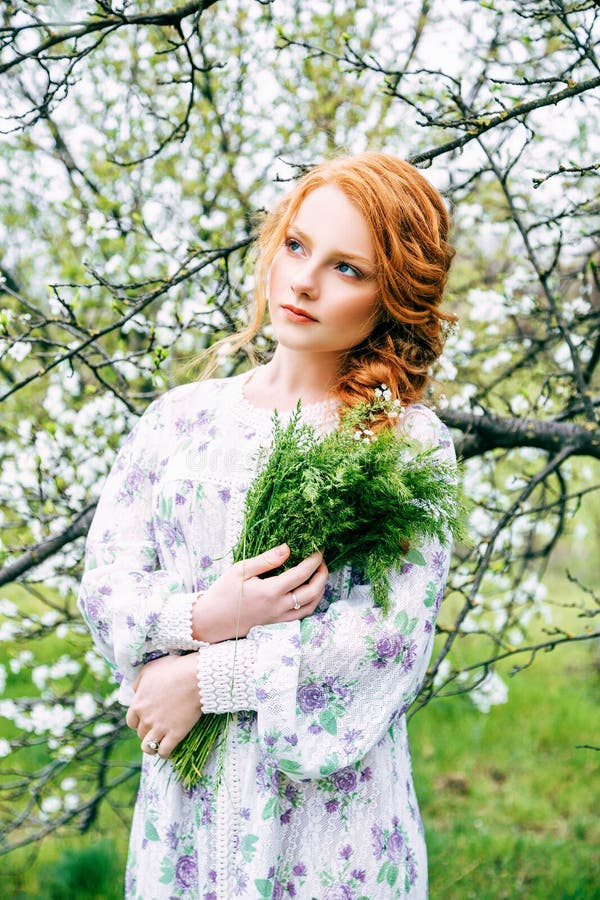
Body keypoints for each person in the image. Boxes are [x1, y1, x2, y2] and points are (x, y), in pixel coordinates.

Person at [78, 151, 457, 899]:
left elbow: (384, 639)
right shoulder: (178, 420)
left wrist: (204, 676)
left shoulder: (403, 443)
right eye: (296, 245)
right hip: (185, 819)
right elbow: (108, 584)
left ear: (394, 297)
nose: (305, 280)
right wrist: (205, 614)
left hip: (327, 828)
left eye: (349, 268)